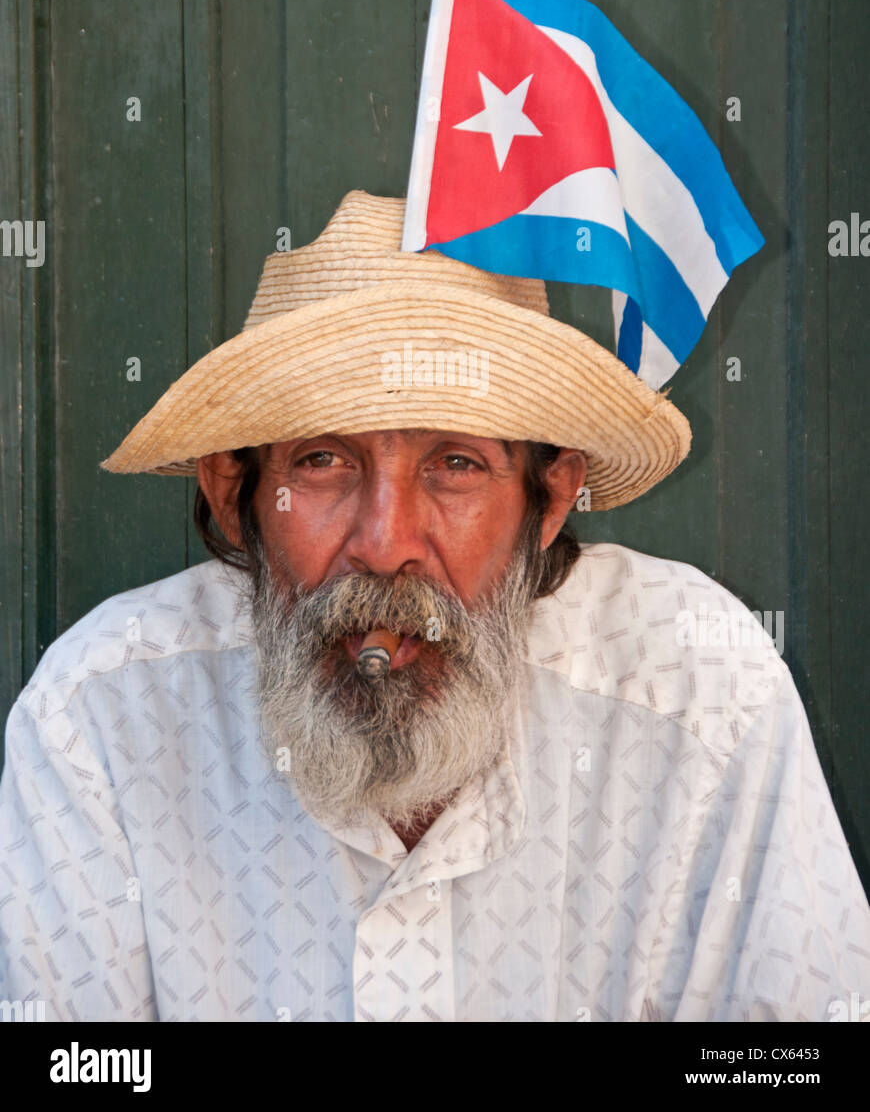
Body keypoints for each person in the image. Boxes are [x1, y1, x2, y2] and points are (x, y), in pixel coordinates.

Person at [1, 191, 868, 1022]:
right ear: (235, 493)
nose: (386, 542)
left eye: (455, 462)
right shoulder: (103, 716)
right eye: (323, 461)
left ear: (550, 499)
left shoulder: (695, 685)